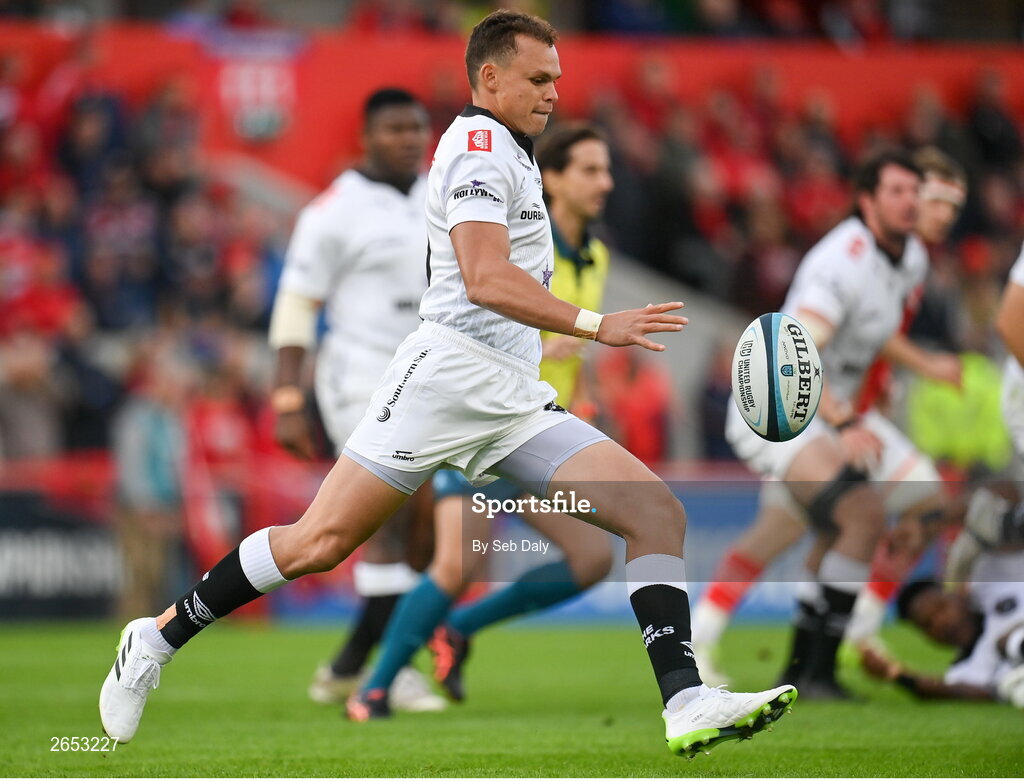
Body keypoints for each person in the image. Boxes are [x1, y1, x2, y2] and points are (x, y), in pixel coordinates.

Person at [99, 10, 796, 758]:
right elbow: (484, 277)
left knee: (655, 512)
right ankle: (158, 635)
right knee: (319, 541)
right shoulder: (473, 149)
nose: (553, 93)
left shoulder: (514, 152)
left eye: (557, 79)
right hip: (443, 382)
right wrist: (599, 325)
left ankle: (686, 699)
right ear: (488, 77)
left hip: (511, 395)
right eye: (537, 78)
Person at [348, 122, 615, 716]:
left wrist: (587, 389)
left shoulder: (594, 257)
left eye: (607, 170)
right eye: (591, 170)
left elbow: (576, 349)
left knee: (593, 557)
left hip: (535, 428)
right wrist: (553, 347)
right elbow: (476, 317)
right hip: (477, 416)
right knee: (454, 564)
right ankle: (373, 687)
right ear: (555, 180)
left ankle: (459, 630)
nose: (606, 183)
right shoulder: (512, 240)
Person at [692, 148, 969, 688]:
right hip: (780, 407)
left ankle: (826, 645)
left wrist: (915, 367)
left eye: (924, 195)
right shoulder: (841, 260)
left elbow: (873, 329)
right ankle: (820, 655)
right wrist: (844, 423)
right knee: (851, 516)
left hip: (838, 405)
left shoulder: (908, 257)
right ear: (867, 201)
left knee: (922, 505)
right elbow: (795, 357)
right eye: (905, 193)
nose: (920, 206)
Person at [266, 87, 444, 713]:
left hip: (434, 373)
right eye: (395, 128)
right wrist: (288, 395)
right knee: (389, 514)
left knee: (427, 529)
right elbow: (296, 305)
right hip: (360, 376)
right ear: (365, 136)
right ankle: (389, 670)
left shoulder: (442, 191)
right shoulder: (332, 211)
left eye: (417, 127)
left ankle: (350, 662)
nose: (409, 138)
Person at [861, 552, 1024, 707]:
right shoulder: (966, 669)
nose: (941, 623)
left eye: (942, 608)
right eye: (928, 624)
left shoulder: (992, 587)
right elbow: (964, 691)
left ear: (956, 594)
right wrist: (896, 674)